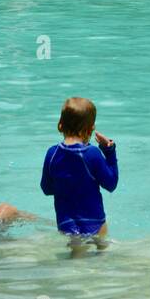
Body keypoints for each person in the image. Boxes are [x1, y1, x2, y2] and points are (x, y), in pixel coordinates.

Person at [40, 97, 118, 249]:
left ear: (60, 125)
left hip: (67, 226)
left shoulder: (52, 153)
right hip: (95, 223)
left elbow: (46, 189)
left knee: (76, 259)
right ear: (89, 129)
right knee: (102, 255)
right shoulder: (92, 154)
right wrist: (109, 151)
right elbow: (111, 184)